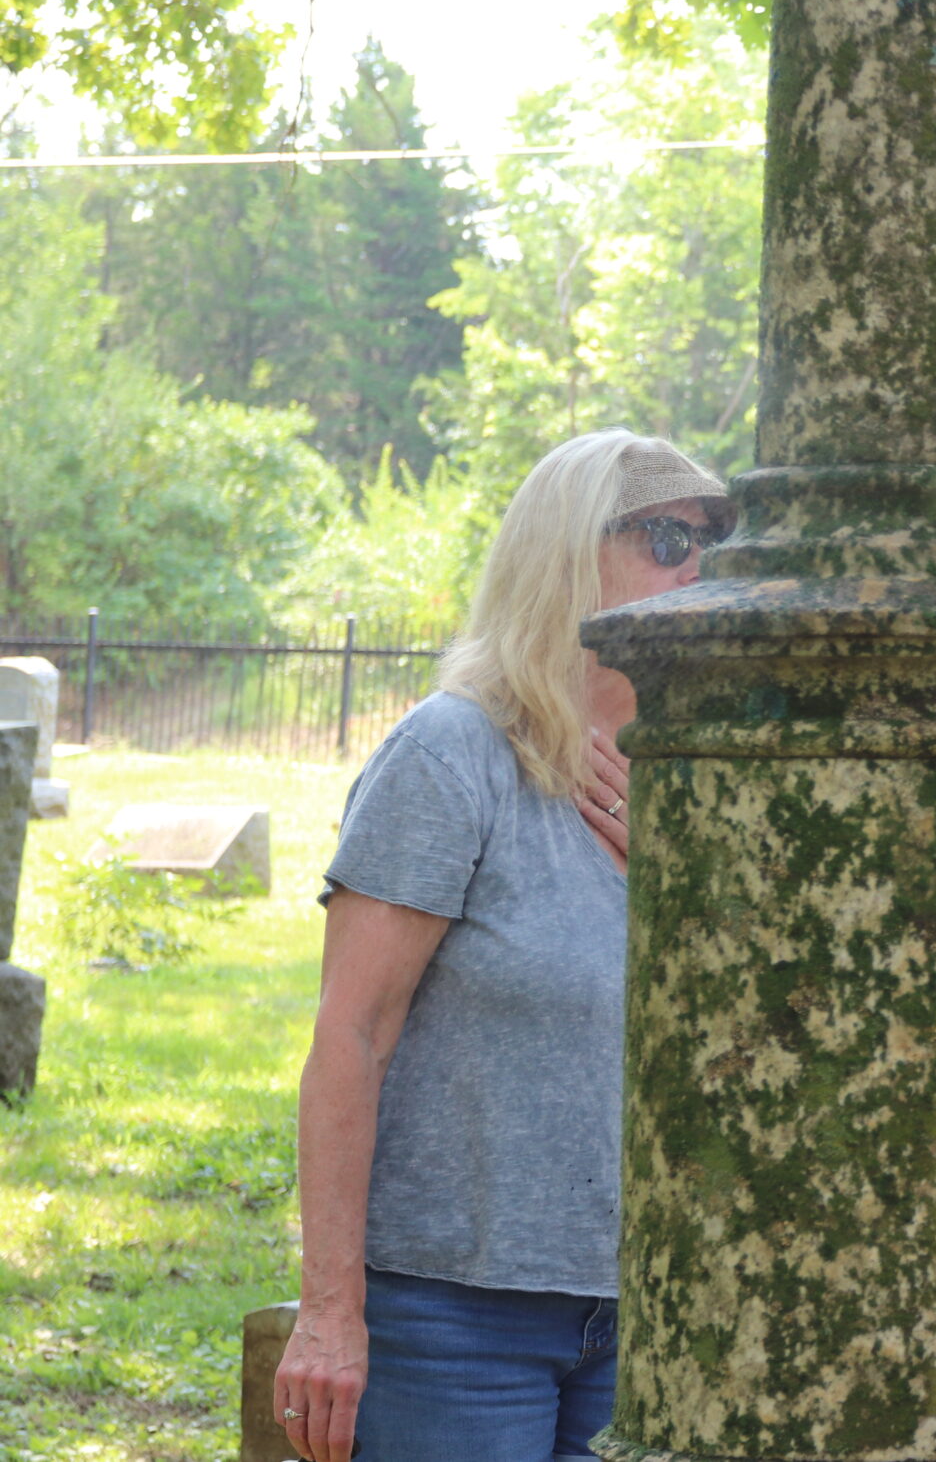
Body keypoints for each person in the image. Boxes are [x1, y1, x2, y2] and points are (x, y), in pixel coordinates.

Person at [271, 429, 732, 1462]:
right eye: (668, 536)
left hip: (656, 1313)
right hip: (452, 1324)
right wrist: (331, 1312)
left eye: (716, 539)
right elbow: (351, 1036)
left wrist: (684, 875)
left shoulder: (708, 775)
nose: (700, 564)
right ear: (571, 553)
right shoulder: (453, 754)